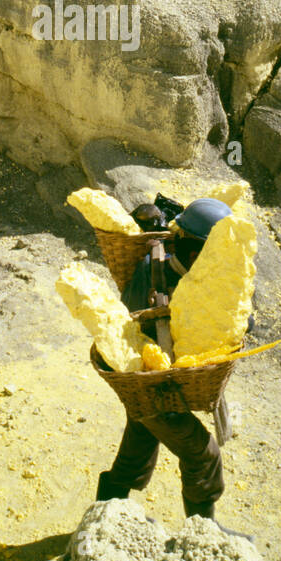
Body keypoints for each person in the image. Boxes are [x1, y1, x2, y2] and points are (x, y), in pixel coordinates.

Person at [96, 198, 250, 534]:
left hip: (155, 389)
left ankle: (103, 520)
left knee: (138, 447)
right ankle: (203, 535)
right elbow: (130, 336)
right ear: (197, 254)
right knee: (202, 453)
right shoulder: (152, 277)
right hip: (151, 385)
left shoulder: (199, 279)